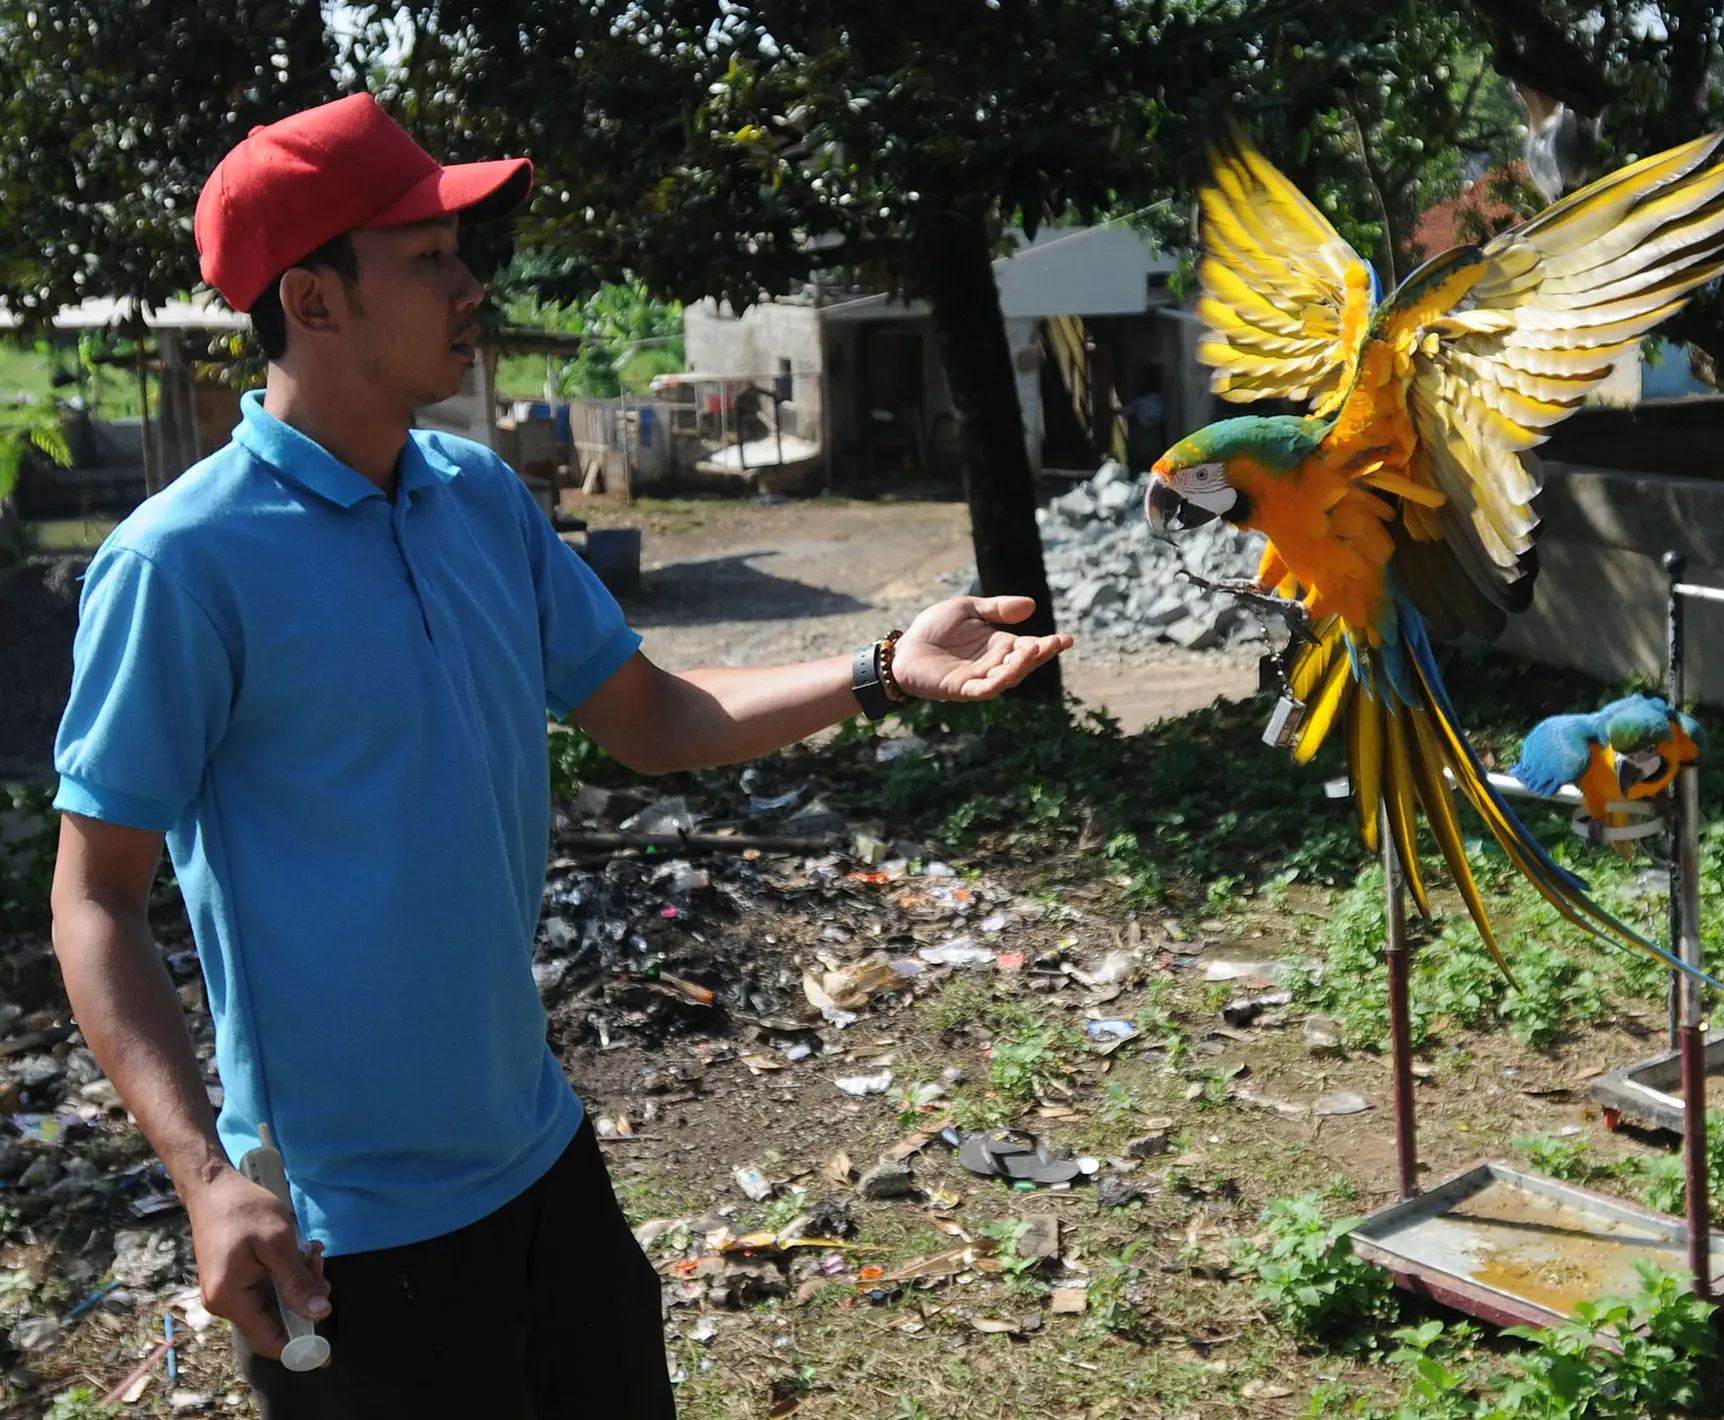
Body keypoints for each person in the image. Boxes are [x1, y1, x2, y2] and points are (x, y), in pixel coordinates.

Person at [45, 94, 1069, 1418]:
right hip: (347, 1233)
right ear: (313, 300)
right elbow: (95, 897)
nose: (471, 284)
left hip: (540, 1160)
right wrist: (205, 1181)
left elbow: (651, 717)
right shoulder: (181, 566)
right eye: (429, 257)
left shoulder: (477, 497)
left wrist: (878, 669)